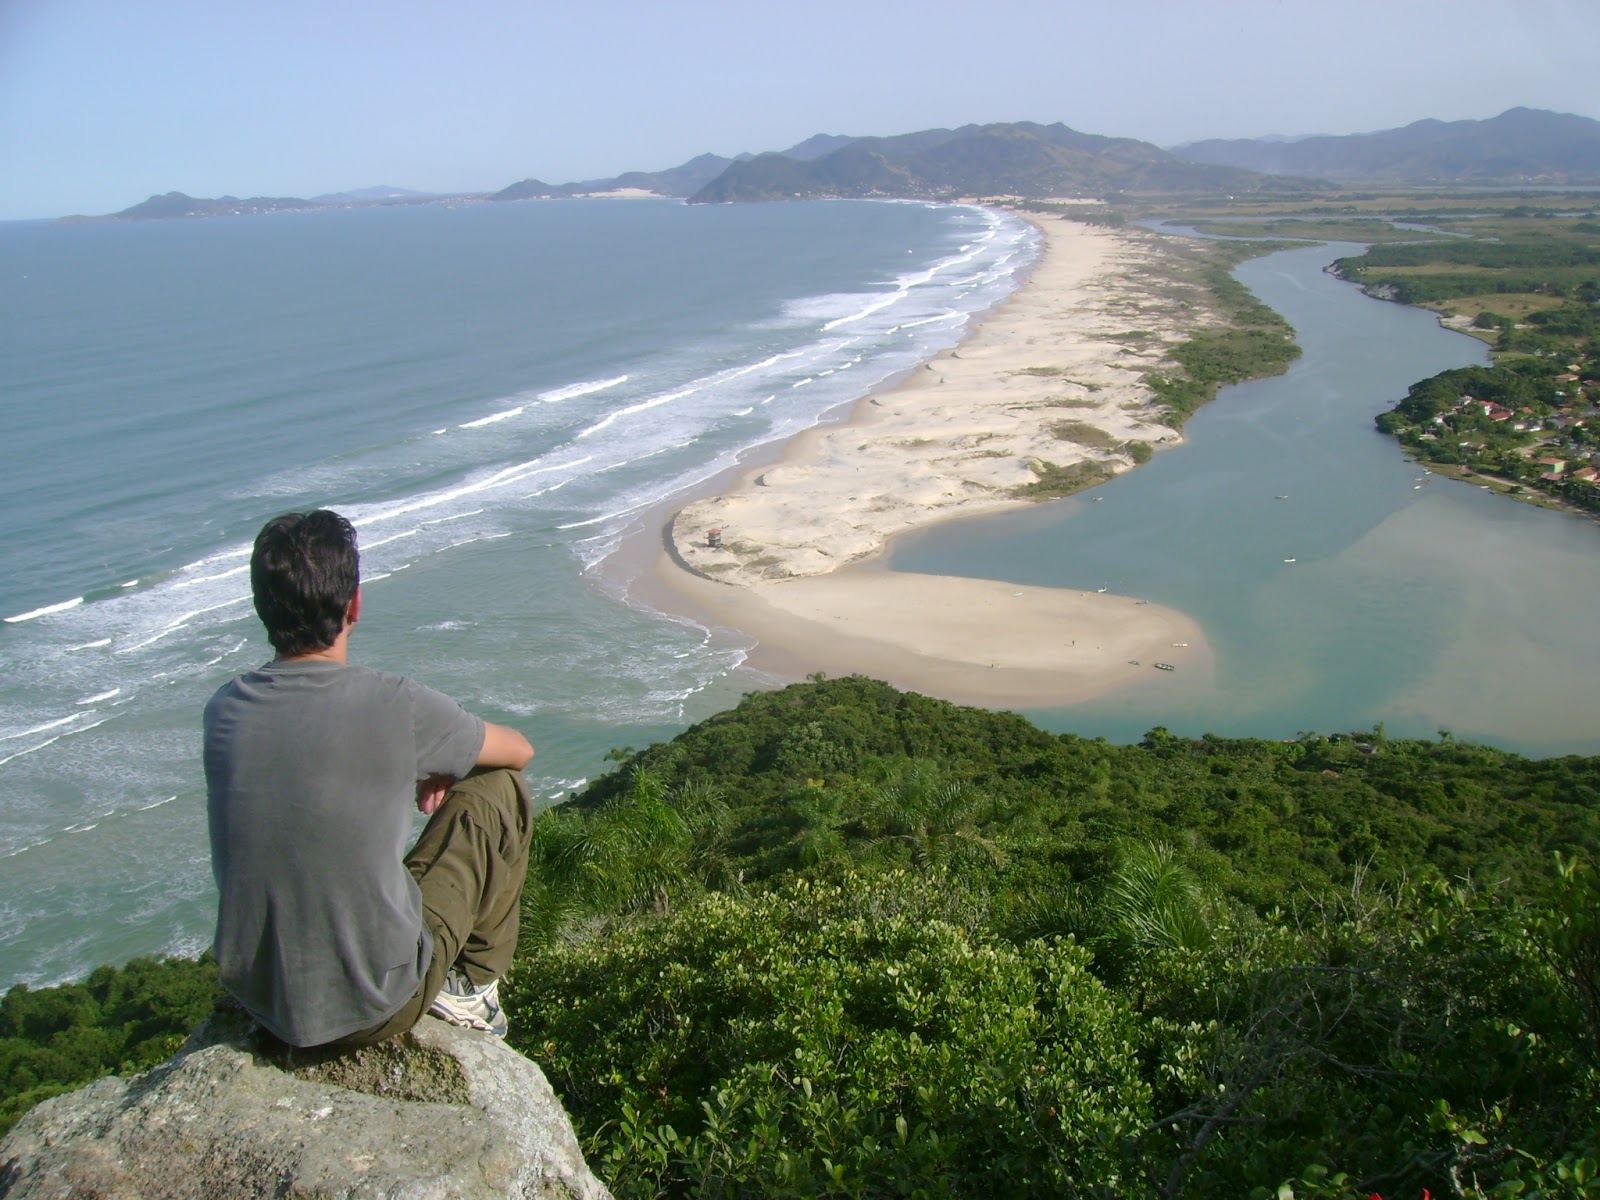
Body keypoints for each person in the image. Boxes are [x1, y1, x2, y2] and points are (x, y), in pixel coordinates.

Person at [204, 509, 536, 1048]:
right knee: (499, 788)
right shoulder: (394, 704)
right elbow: (518, 751)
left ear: (262, 606)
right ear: (353, 603)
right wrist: (448, 761)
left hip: (262, 1000)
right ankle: (470, 985)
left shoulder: (224, 710)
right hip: (377, 1005)